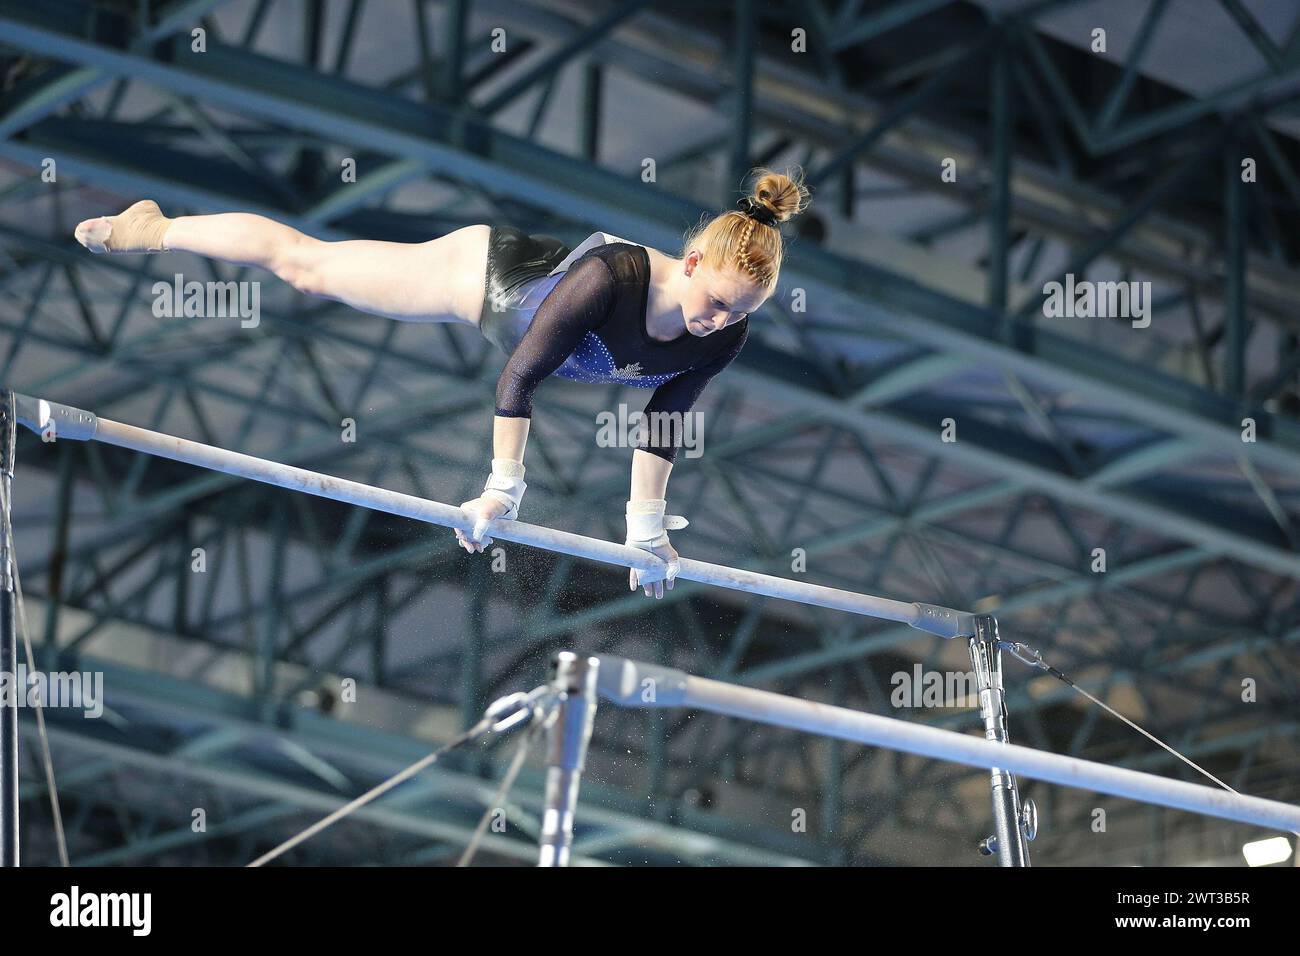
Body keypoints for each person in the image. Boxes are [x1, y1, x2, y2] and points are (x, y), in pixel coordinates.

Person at [73, 168, 810, 599]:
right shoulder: (610, 278)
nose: (718, 321)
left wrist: (646, 532)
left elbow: (664, 423)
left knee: (312, 269)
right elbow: (522, 373)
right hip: (482, 278)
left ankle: (159, 227)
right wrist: (502, 488)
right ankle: (155, 227)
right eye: (715, 300)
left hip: (529, 297)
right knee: (308, 267)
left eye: (739, 312)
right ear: (687, 263)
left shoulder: (728, 334)